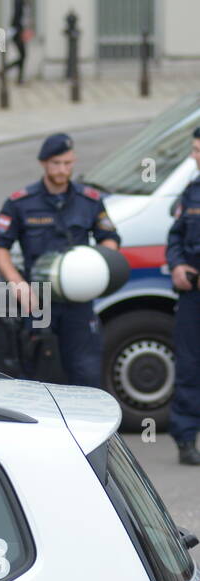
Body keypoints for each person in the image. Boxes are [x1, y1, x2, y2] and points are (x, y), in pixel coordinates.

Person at [0, 132, 120, 388]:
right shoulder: (21, 202)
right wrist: (17, 283)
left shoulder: (89, 200)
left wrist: (97, 265)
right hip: (40, 300)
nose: (63, 170)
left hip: (79, 300)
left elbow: (110, 238)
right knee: (39, 374)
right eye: (56, 164)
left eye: (68, 163)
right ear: (44, 163)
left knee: (86, 374)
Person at [164, 129, 200, 466]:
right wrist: (176, 265)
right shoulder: (191, 192)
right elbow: (174, 237)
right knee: (189, 366)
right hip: (193, 296)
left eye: (199, 151)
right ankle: (187, 439)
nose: (194, 156)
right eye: (194, 149)